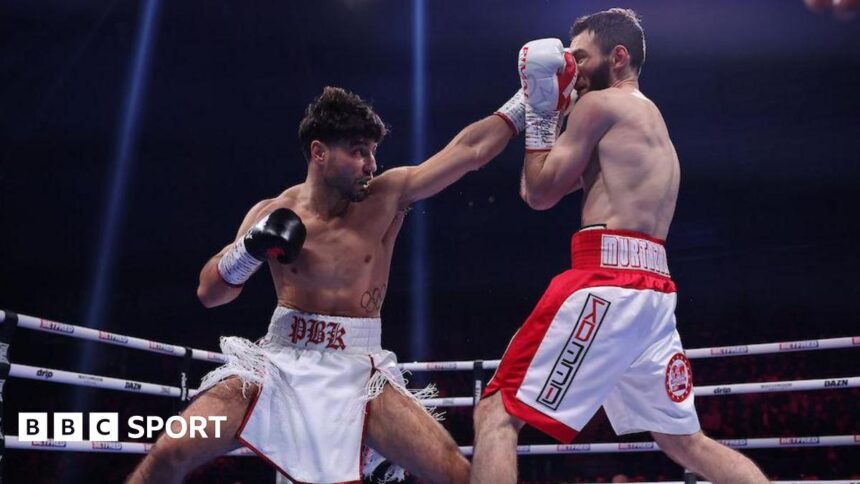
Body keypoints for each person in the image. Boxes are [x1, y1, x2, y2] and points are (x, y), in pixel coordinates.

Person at [128, 85, 524, 484]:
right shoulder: (273, 211)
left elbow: (469, 151)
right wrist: (248, 251)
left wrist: (526, 100)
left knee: (454, 473)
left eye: (372, 151)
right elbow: (209, 294)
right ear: (319, 153)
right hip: (279, 366)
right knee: (169, 451)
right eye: (358, 151)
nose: (371, 164)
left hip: (359, 371)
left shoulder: (388, 196)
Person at [470, 9, 768, 484]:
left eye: (581, 57)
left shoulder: (599, 107)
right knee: (683, 442)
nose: (572, 67)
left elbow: (538, 193)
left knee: (497, 414)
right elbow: (563, 180)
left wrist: (544, 112)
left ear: (619, 56)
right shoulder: (649, 122)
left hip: (606, 279)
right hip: (653, 292)